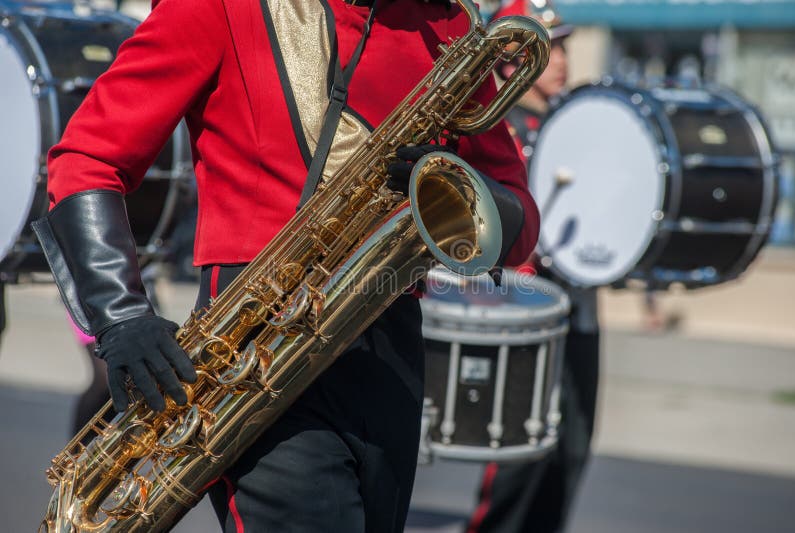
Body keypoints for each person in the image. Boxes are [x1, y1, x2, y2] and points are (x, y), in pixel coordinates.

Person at [31, 0, 540, 531]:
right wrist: (120, 315)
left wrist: (463, 185)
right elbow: (87, 159)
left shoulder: (446, 24)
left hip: (389, 351)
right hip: (255, 346)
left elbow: (520, 217)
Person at [467, 2, 600, 532]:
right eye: (549, 49)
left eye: (565, 47)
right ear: (508, 63)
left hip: (577, 303)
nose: (562, 61)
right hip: (521, 308)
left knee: (573, 450)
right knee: (519, 464)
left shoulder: (578, 126)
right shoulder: (497, 128)